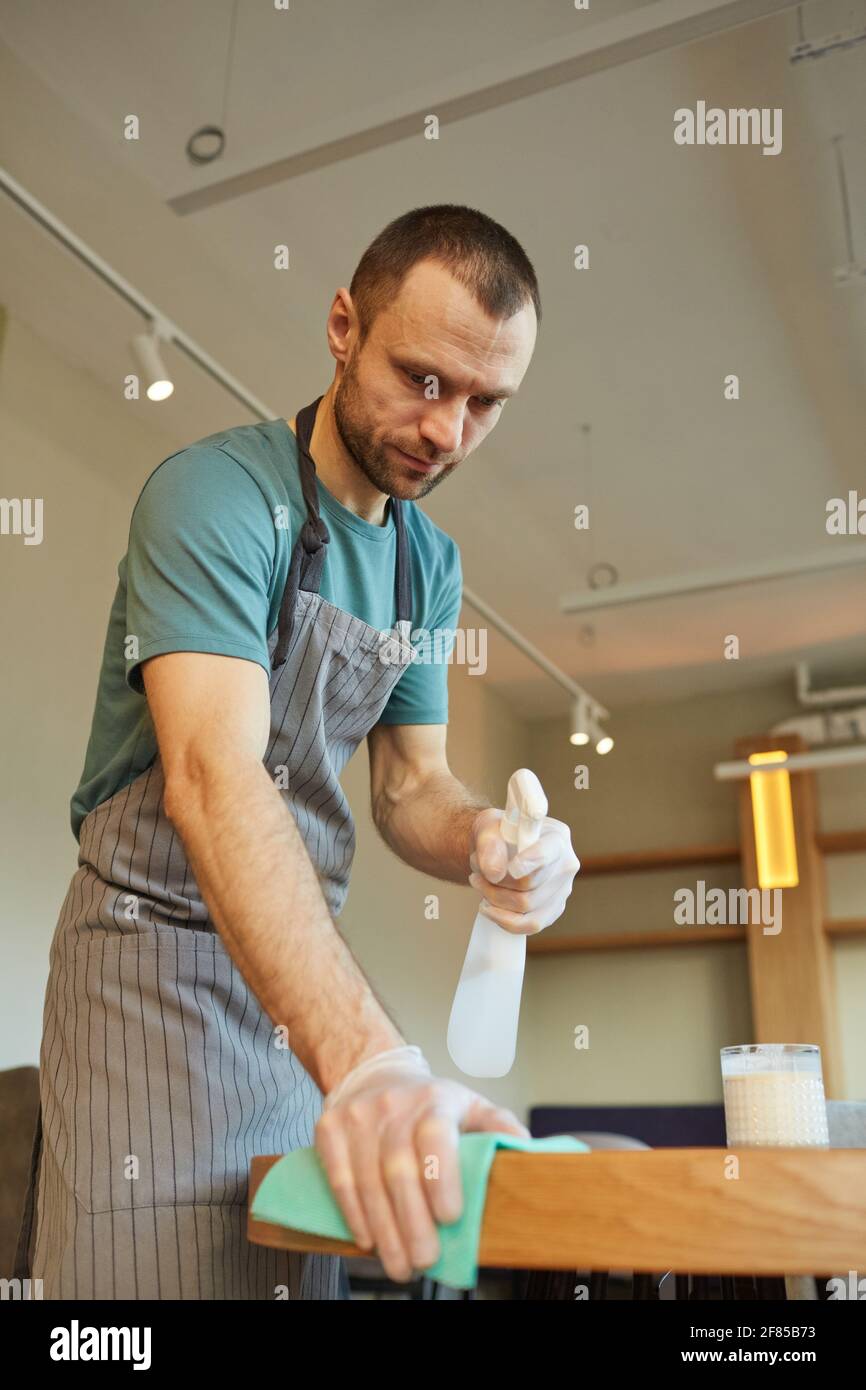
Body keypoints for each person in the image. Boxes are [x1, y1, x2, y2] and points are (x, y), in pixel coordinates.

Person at [17, 204, 580, 1299]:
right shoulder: (218, 498)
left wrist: (487, 842)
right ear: (341, 326)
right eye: (423, 379)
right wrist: (372, 1062)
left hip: (288, 990)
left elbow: (411, 785)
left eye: (484, 403)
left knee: (278, 1274)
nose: (447, 431)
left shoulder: (428, 566)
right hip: (149, 974)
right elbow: (211, 779)